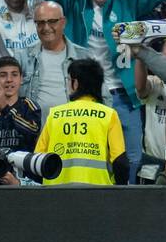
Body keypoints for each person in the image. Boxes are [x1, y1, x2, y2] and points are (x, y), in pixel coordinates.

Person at [33, 58, 127, 186]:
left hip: (55, 194)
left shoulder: (55, 114)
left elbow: (38, 159)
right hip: (99, 194)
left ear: (75, 83)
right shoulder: (109, 115)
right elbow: (120, 161)